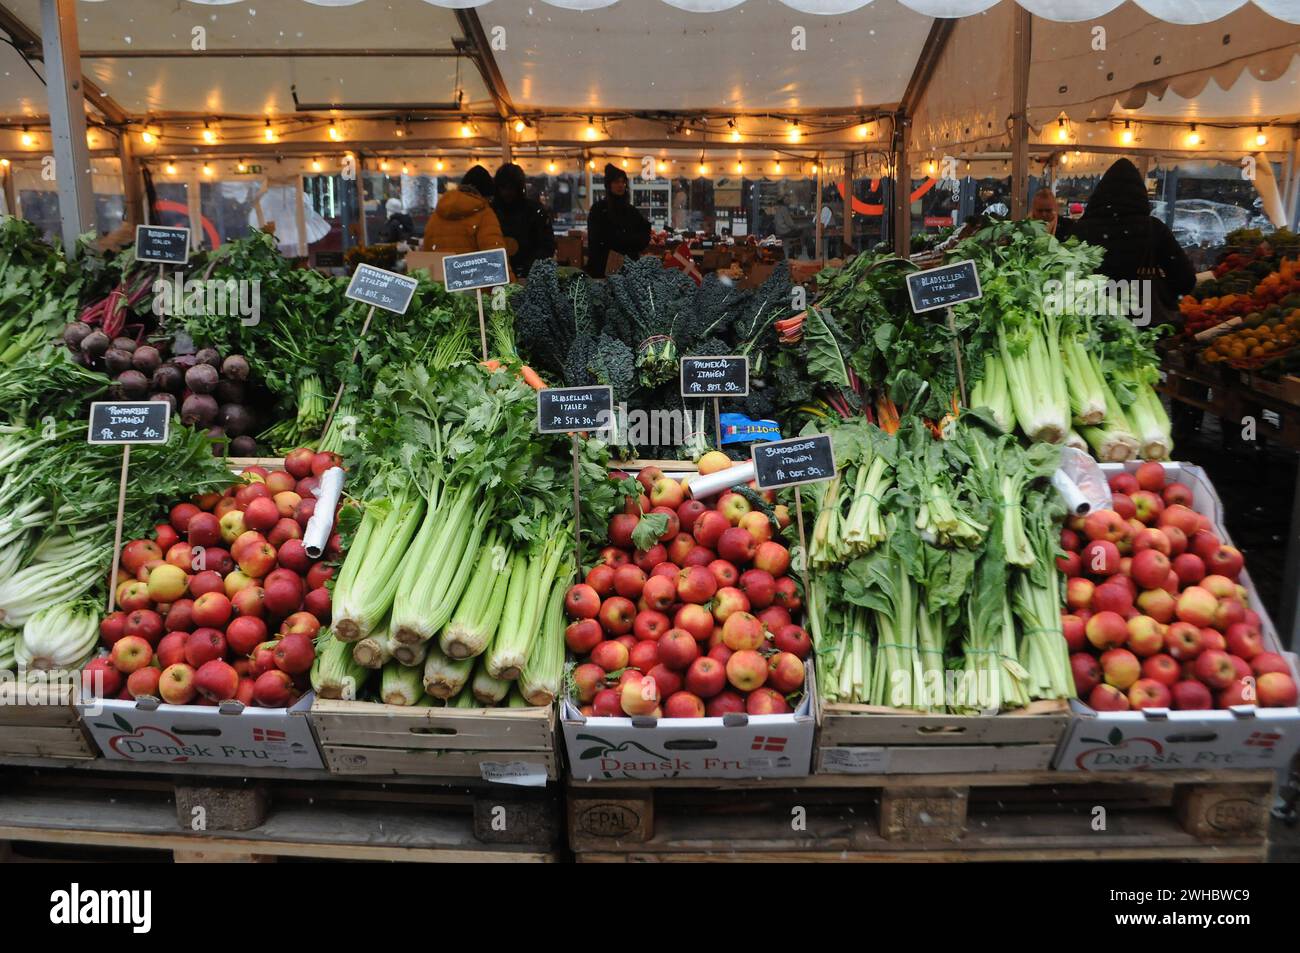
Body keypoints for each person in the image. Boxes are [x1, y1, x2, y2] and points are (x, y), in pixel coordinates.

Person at [1069, 158, 1195, 318]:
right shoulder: (1154, 229)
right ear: (1140, 194)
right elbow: (1185, 281)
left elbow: (1066, 282)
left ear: (1100, 193)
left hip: (1092, 322)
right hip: (1145, 323)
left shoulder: (1080, 231)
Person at [421, 165, 507, 255]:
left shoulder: (437, 215)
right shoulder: (484, 214)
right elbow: (495, 257)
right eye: (489, 199)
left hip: (439, 268)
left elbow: (427, 254)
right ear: (485, 195)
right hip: (474, 269)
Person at [586, 163, 651, 278]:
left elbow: (644, 232)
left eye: (623, 182)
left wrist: (630, 243)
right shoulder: (599, 210)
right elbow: (597, 239)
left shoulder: (631, 211)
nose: (621, 185)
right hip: (603, 268)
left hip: (628, 269)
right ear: (609, 185)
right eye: (616, 182)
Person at [492, 163, 553, 280]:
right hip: (496, 275)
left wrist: (529, 267)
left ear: (519, 188)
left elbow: (546, 246)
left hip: (529, 276)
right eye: (503, 187)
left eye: (511, 188)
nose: (506, 192)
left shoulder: (534, 211)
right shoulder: (490, 211)